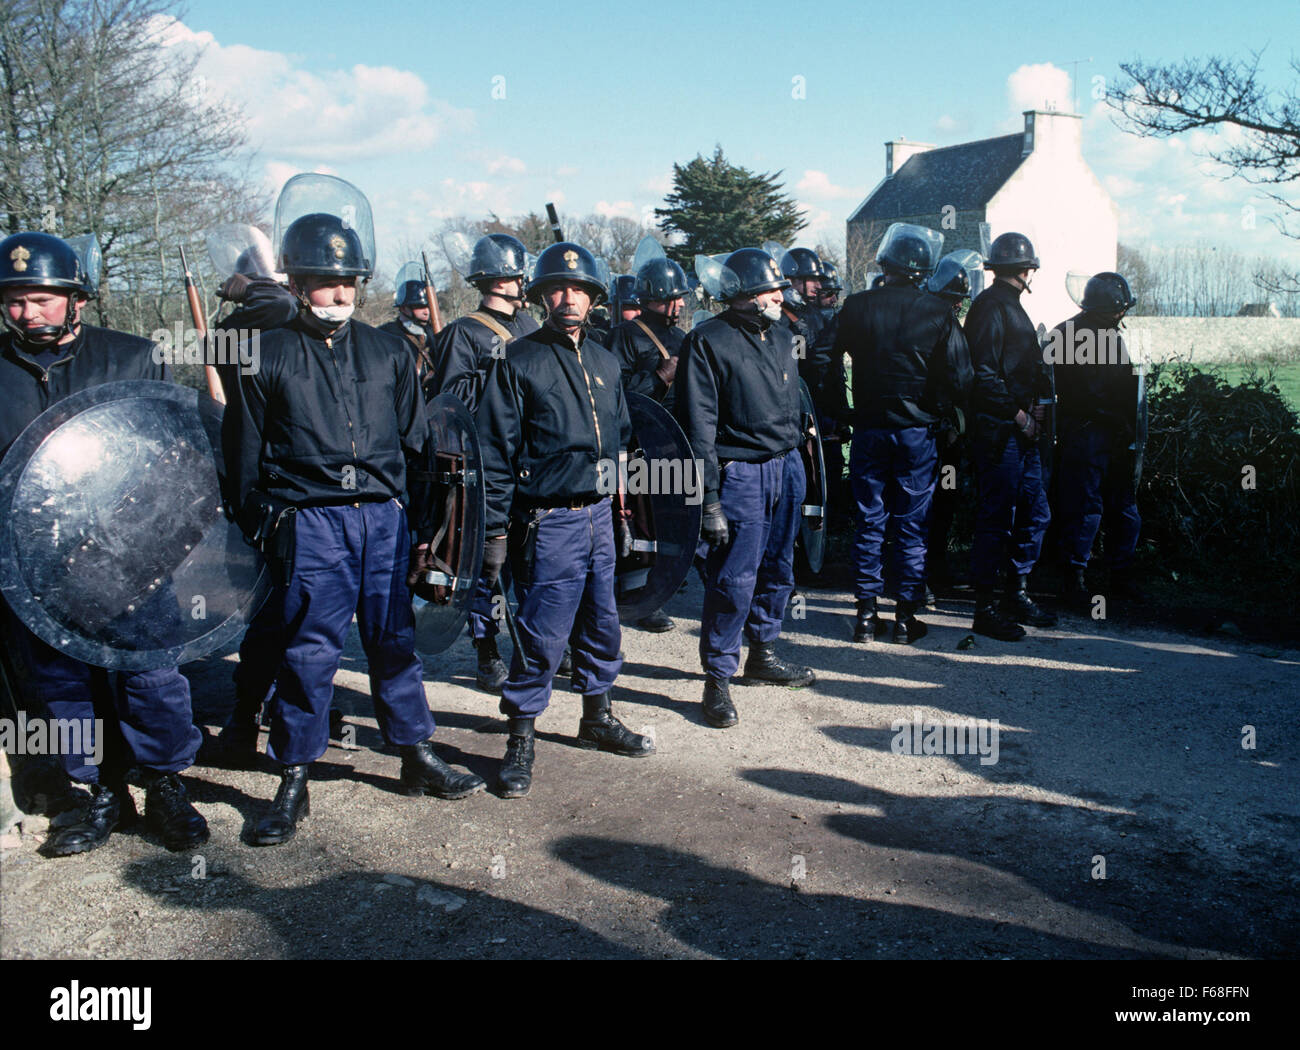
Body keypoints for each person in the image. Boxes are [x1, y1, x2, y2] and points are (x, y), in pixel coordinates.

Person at [225, 181, 485, 845]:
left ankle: (414, 753)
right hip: (310, 521)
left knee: (393, 639)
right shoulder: (267, 355)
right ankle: (293, 776)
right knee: (309, 649)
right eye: (323, 282)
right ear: (298, 281)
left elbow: (417, 442)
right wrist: (269, 524)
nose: (338, 295)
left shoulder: (390, 351)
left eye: (347, 283)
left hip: (382, 518)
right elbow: (244, 459)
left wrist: (426, 526)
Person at [0, 231, 209, 856]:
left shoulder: (133, 357)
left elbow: (175, 463)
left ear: (77, 300)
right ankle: (91, 795)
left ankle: (165, 783)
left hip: (132, 558)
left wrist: (153, 549)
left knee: (149, 677)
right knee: (61, 685)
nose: (26, 312)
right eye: (13, 300)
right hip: (34, 568)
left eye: (41, 298)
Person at [477, 241, 654, 798]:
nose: (568, 297)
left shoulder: (606, 360)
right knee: (541, 632)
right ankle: (521, 737)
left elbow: (623, 440)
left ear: (595, 296)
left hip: (600, 515)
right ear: (541, 295)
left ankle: (596, 717)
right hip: (547, 520)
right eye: (557, 288)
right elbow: (494, 451)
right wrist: (494, 531)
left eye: (579, 289)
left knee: (603, 622)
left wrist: (625, 510)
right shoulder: (518, 359)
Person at [676, 248, 814, 730]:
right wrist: (709, 498)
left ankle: (763, 654)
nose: (781, 295)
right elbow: (699, 426)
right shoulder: (706, 341)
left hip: (787, 467)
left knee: (779, 567)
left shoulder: (783, 334)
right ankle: (717, 678)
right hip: (741, 475)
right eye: (770, 289)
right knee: (733, 577)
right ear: (744, 295)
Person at [832, 224, 972, 643]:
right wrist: (941, 409)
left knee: (869, 520)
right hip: (916, 433)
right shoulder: (938, 312)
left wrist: (842, 409)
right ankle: (906, 618)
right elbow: (962, 376)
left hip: (871, 429)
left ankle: (865, 616)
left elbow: (823, 357)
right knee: (912, 524)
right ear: (922, 270)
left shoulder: (856, 306)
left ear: (885, 264)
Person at [431, 233, 538, 691]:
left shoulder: (533, 327)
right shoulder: (464, 332)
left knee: (534, 560)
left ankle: (538, 647)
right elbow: (449, 402)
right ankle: (487, 647)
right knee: (488, 566)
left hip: (530, 462)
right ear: (499, 279)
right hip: (488, 467)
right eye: (517, 276)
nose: (522, 283)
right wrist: (499, 370)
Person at [965, 232, 1056, 640]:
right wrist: (1021, 416)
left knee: (1035, 512)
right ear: (1026, 269)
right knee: (997, 520)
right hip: (1000, 433)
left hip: (1020, 432)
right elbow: (983, 376)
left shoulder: (1010, 306)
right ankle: (985, 609)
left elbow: (1019, 369)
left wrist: (1034, 406)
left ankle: (1014, 592)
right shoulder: (989, 308)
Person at [605, 255, 689, 633]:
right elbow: (616, 394)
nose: (682, 304)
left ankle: (660, 588)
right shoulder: (625, 336)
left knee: (670, 519)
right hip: (637, 443)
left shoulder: (683, 338)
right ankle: (636, 596)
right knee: (637, 521)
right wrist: (659, 376)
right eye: (676, 297)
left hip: (674, 441)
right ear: (656, 297)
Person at [1051, 272, 1142, 604]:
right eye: (1120, 310)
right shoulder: (1093, 336)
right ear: (1110, 309)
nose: (1123, 316)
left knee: (1096, 507)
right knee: (1093, 507)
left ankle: (1088, 577)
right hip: (1094, 434)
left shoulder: (1065, 333)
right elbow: (1109, 392)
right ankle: (1086, 579)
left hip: (1093, 434)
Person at [378, 264, 438, 388]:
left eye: (428, 306)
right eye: (420, 306)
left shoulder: (434, 332)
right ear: (404, 308)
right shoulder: (386, 334)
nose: (427, 311)